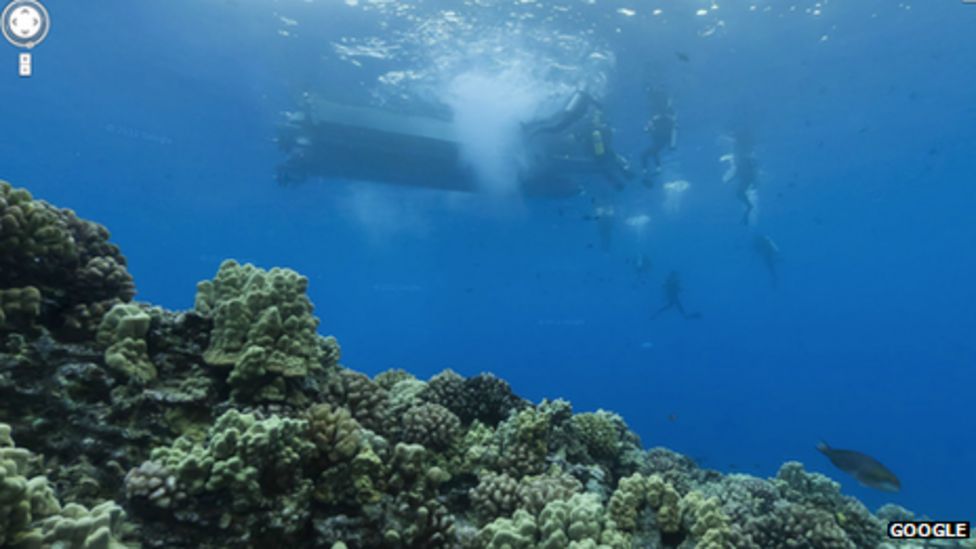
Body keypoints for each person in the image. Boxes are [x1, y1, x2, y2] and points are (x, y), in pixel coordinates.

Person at [586, 109, 634, 190]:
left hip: (598, 155)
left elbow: (588, 143)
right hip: (607, 150)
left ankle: (618, 184)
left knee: (605, 170)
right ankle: (627, 174)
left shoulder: (593, 128)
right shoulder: (603, 126)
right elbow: (608, 137)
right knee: (616, 163)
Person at [524, 89, 601, 137]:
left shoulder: (579, 94)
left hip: (565, 111)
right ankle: (533, 134)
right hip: (570, 116)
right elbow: (596, 104)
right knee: (555, 129)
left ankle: (527, 125)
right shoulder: (588, 97)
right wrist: (598, 105)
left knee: (548, 120)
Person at [639, 94, 678, 187]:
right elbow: (649, 127)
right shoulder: (663, 114)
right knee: (653, 151)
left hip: (662, 138)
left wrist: (651, 125)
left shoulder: (663, 114)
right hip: (661, 139)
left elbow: (671, 122)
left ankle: (651, 170)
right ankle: (657, 169)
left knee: (646, 154)